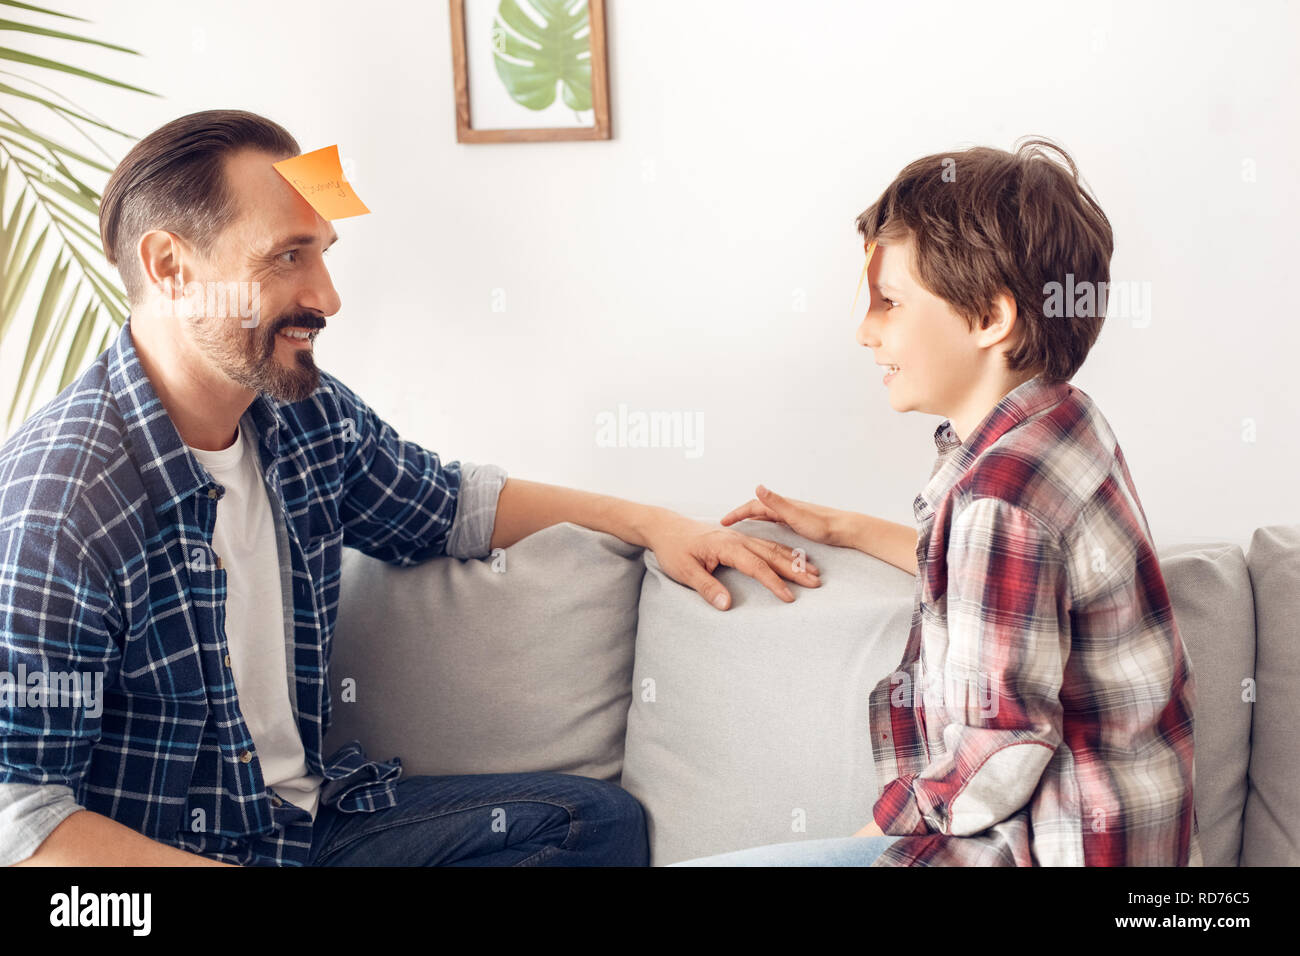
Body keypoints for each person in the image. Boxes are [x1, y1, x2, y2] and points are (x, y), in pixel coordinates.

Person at [0, 109, 821, 867]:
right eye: (288, 256)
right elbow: (23, 817)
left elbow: (456, 507)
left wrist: (654, 523)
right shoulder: (64, 503)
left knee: (592, 824)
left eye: (322, 252)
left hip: (302, 827)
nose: (326, 296)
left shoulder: (300, 415)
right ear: (171, 267)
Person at [677, 138, 1202, 866]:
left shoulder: (1003, 498)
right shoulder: (1062, 427)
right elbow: (998, 585)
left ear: (990, 317)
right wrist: (846, 527)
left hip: (1047, 847)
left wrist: (879, 832)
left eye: (888, 303)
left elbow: (1004, 742)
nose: (865, 331)